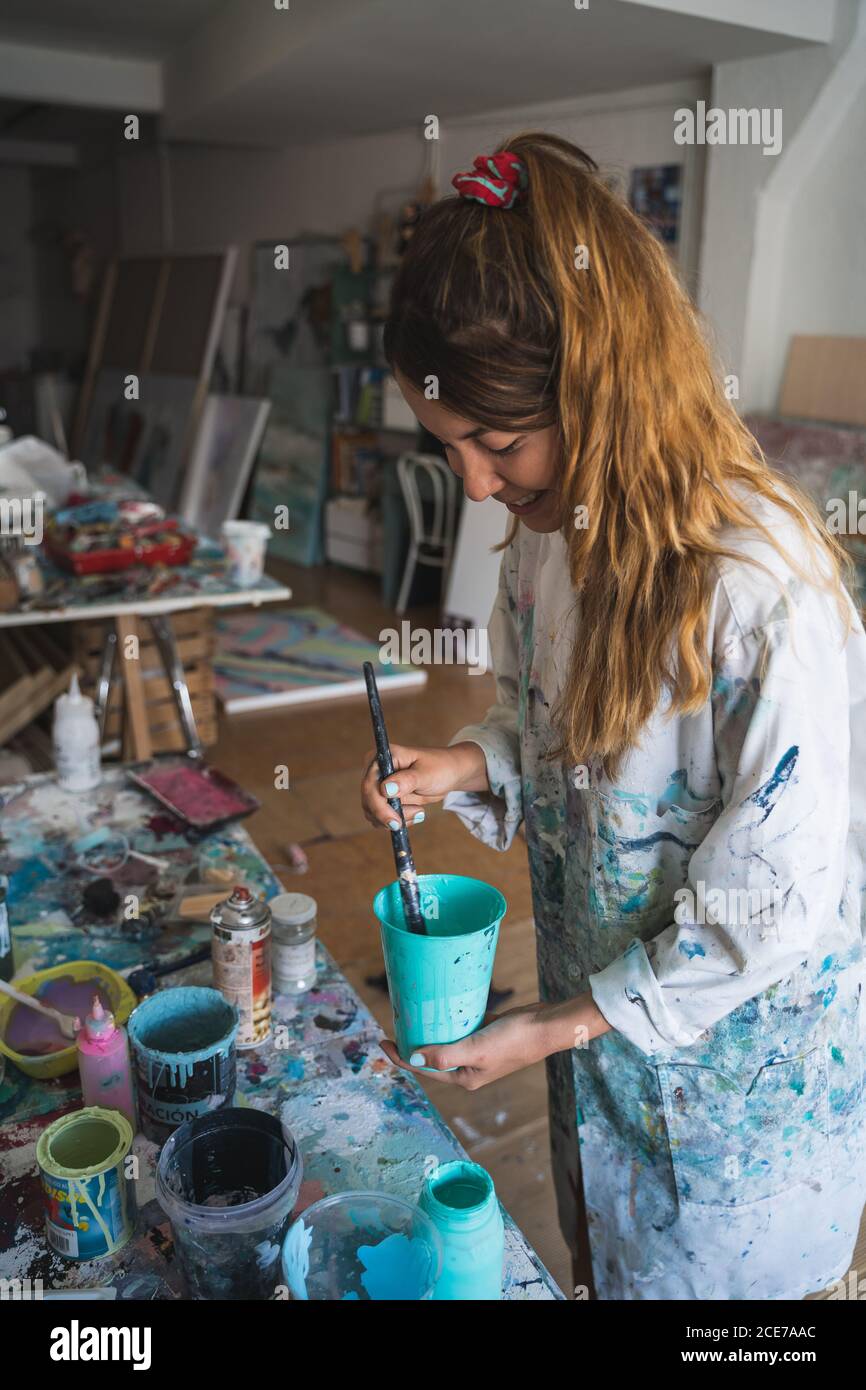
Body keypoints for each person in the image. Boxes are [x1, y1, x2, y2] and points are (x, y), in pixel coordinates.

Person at [360, 133, 866, 1300]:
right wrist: (474, 762)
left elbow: (774, 901)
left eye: (495, 442)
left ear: (602, 385)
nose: (478, 486)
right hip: (599, 1052)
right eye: (451, 453)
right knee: (609, 1265)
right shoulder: (552, 541)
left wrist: (552, 1024)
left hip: (741, 1103)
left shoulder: (754, 588)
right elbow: (551, 730)